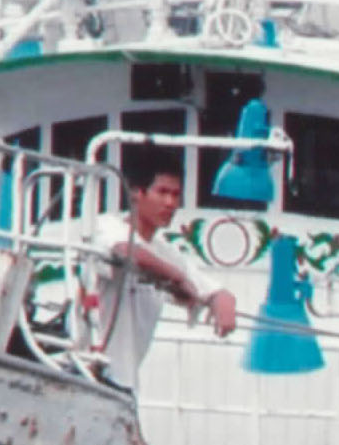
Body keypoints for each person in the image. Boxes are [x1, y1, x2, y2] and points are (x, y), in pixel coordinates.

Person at [88, 148, 238, 391]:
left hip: (123, 383)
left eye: (176, 195)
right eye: (162, 192)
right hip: (92, 371)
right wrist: (176, 279)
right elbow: (126, 251)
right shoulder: (107, 226)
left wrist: (222, 300)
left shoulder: (166, 252)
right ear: (137, 193)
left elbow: (212, 290)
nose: (170, 203)